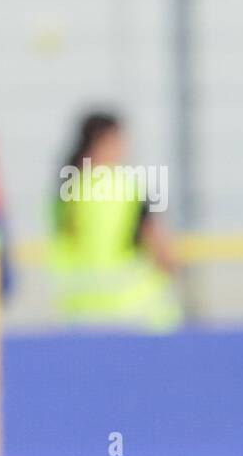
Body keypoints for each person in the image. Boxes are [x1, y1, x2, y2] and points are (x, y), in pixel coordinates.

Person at [48, 112, 181, 331]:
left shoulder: (64, 191)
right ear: (108, 140)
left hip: (79, 312)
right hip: (137, 312)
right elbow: (162, 252)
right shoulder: (130, 187)